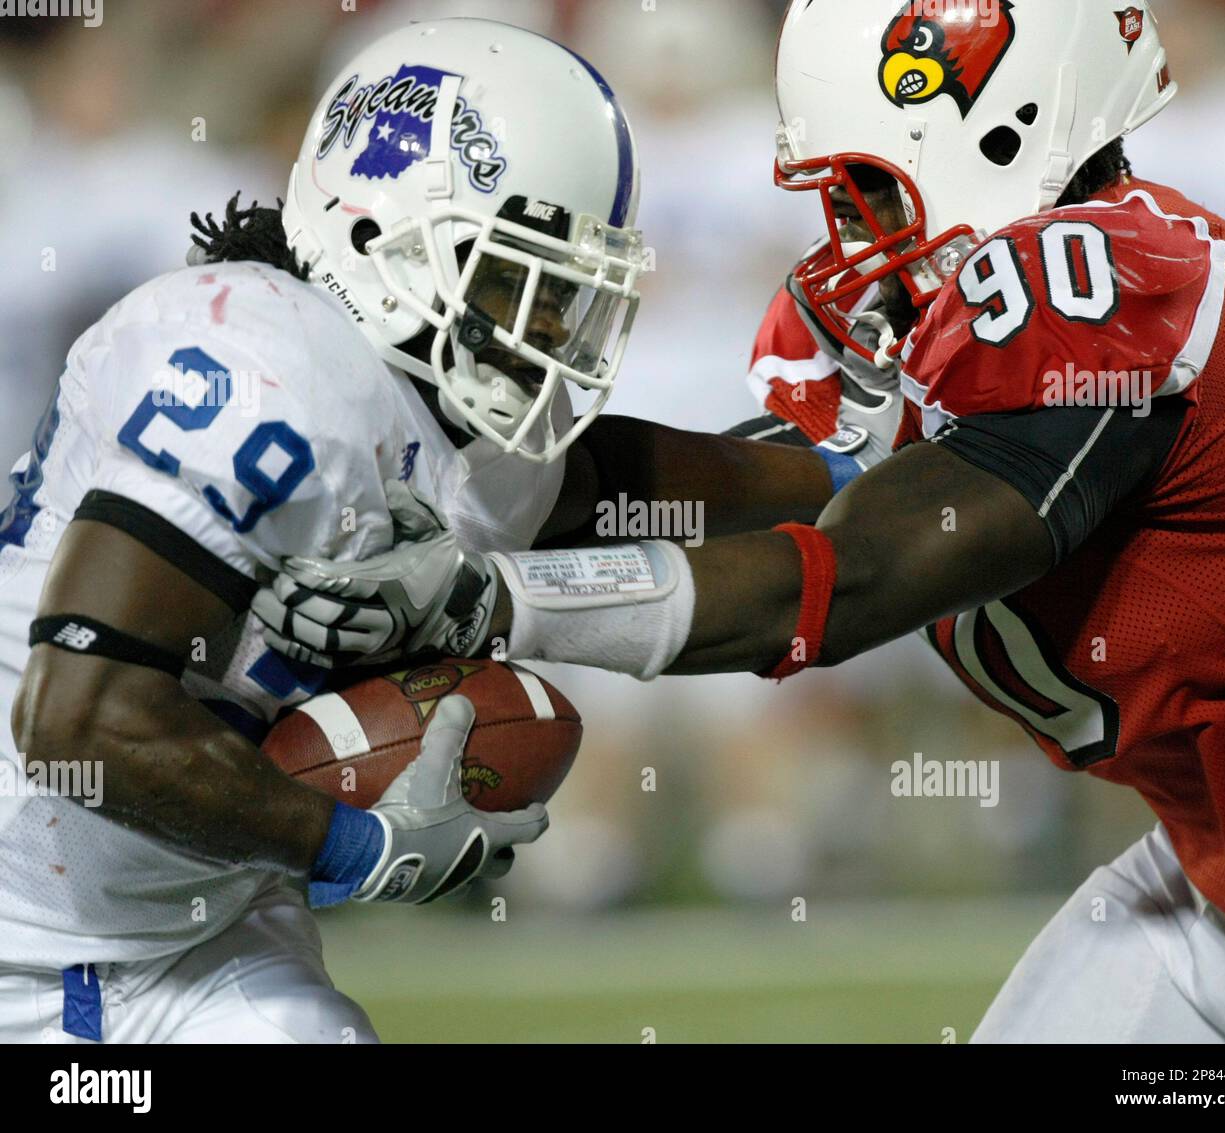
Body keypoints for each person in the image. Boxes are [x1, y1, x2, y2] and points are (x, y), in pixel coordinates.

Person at [258, 1, 1225, 1042]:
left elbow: (850, 578)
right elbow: (754, 478)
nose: (846, 232)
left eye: (868, 188)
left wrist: (496, 601)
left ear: (1004, 123)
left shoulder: (1111, 281)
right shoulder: (997, 307)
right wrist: (435, 480)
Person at [0, 17, 849, 1045]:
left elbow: (607, 477)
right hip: (30, 940)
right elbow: (79, 720)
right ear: (380, 234)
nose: (550, 332)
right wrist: (357, 845)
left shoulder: (426, 409)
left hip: (199, 916)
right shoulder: (260, 358)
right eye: (519, 284)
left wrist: (843, 470)